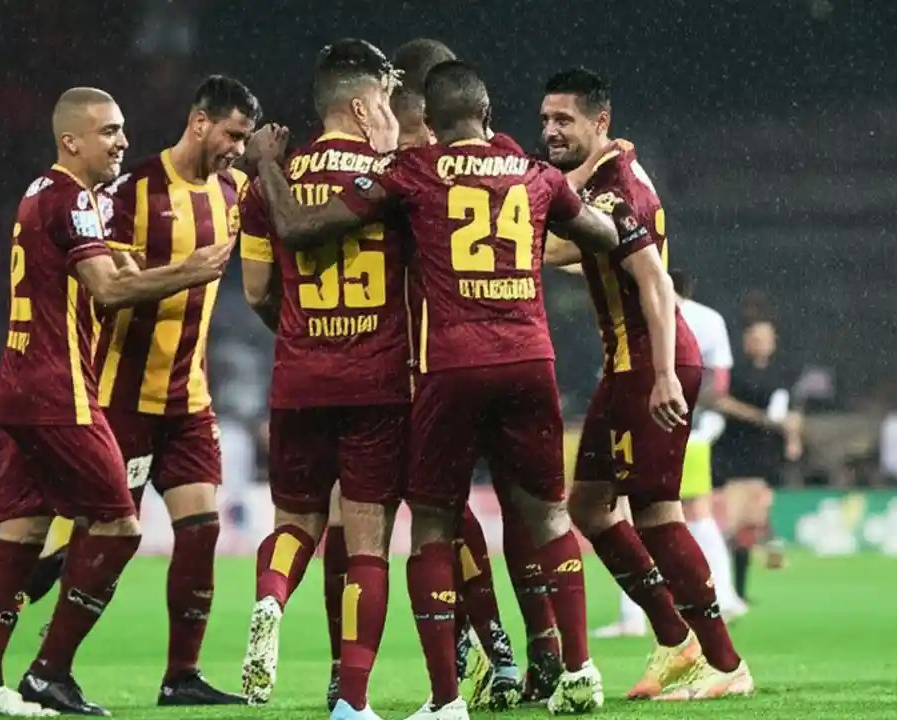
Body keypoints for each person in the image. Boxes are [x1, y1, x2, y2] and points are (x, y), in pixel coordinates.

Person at [250, 60, 621, 720]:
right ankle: (578, 667)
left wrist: (267, 164)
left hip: (446, 366)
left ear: (432, 120)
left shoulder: (412, 174)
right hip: (530, 359)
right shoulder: (532, 173)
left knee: (432, 524)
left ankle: (447, 700)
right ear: (487, 114)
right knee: (545, 516)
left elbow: (301, 231)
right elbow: (604, 233)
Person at [0, 87, 232, 717]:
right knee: (119, 524)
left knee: (20, 535)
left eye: (123, 129)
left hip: (18, 383)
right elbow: (108, 291)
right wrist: (193, 269)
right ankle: (48, 674)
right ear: (71, 141)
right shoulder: (74, 201)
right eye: (109, 131)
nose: (122, 142)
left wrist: (130, 259)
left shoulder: (38, 195)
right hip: (62, 390)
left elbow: (89, 265)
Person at [24, 76, 260, 706]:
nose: (236, 148)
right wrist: (176, 273)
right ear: (200, 122)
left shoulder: (234, 188)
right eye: (231, 135)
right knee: (111, 542)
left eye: (244, 138)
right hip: (124, 399)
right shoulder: (133, 191)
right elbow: (106, 283)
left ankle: (181, 676)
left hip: (189, 400)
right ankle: (49, 666)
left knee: (202, 528)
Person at [539, 67, 753, 702]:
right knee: (588, 507)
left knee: (658, 513)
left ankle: (725, 662)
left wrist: (664, 376)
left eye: (564, 120)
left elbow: (658, 286)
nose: (550, 129)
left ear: (599, 123)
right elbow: (564, 251)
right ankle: (674, 639)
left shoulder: (619, 190)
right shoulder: (605, 179)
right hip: (625, 365)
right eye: (546, 118)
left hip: (653, 366)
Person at [236, 38, 403, 720]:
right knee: (365, 541)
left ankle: (271, 597)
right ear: (364, 104)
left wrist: (305, 334)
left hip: (300, 377)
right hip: (376, 381)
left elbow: (254, 291)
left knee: (297, 520)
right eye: (387, 98)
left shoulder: (268, 179)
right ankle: (351, 702)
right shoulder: (395, 174)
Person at [389, 38, 523, 713]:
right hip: (510, 354)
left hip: (425, 363)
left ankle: (468, 661)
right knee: (497, 509)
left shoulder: (405, 166)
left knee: (433, 517)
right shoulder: (500, 156)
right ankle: (511, 649)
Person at [593, 270, 747, 638]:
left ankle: (635, 614)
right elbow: (718, 383)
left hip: (653, 428)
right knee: (693, 514)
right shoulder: (711, 320)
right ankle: (724, 596)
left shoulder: (643, 313)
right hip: (692, 430)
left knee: (632, 514)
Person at [714, 318, 803, 601]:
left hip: (767, 454)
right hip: (737, 451)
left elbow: (792, 410)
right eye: (756, 337)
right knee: (738, 522)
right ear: (746, 341)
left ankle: (736, 589)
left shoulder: (783, 374)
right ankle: (732, 581)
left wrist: (793, 438)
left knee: (747, 524)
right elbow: (720, 401)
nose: (761, 342)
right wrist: (759, 418)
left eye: (766, 337)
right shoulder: (736, 373)